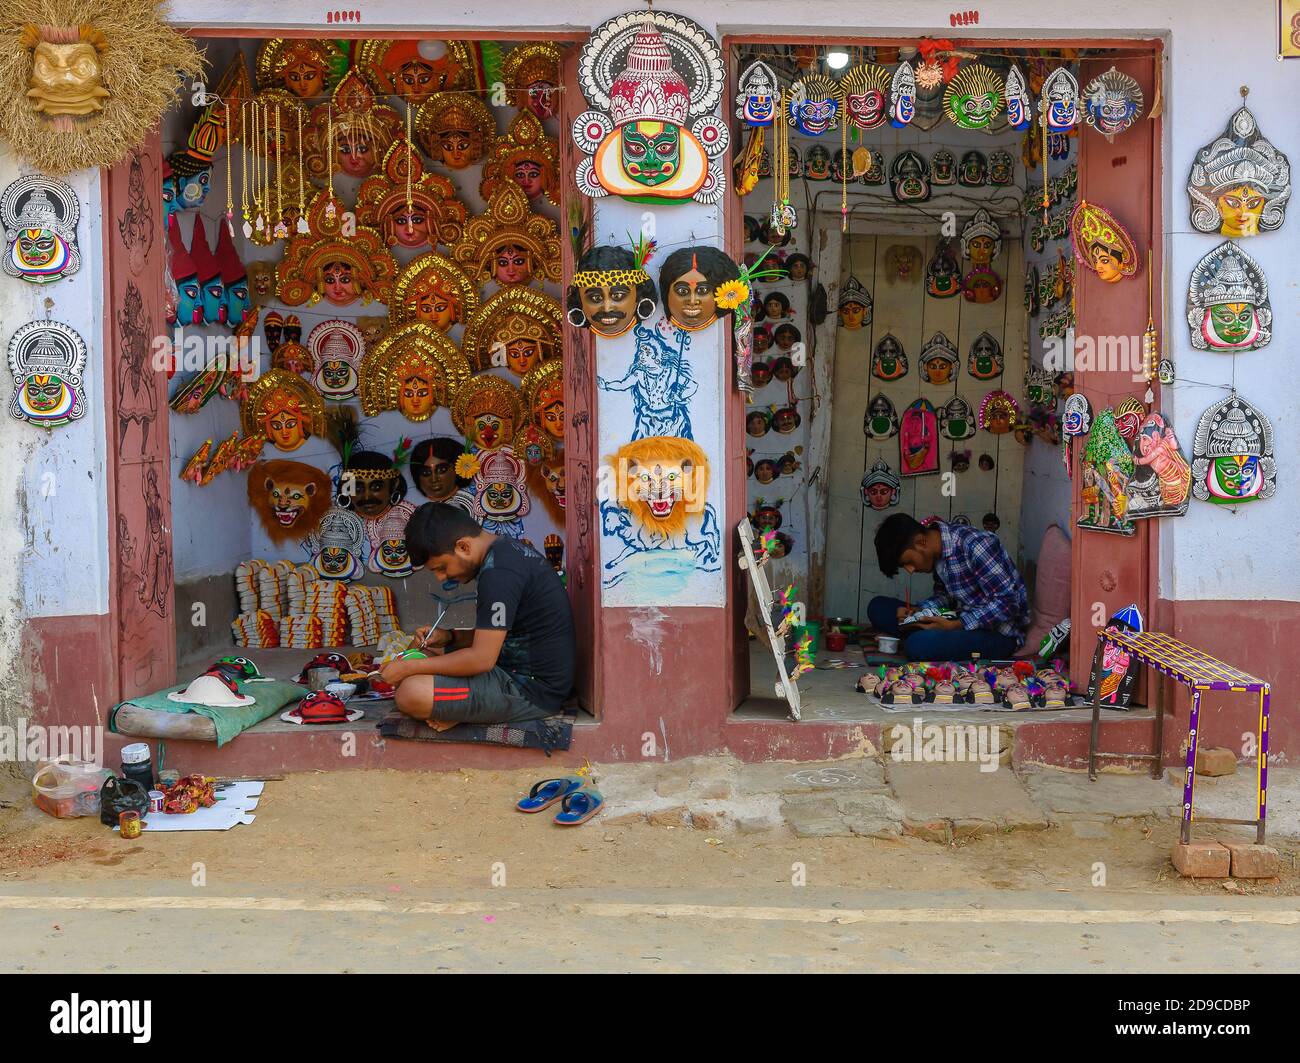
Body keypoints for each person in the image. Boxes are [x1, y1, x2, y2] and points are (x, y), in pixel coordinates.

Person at [382, 503, 575, 729]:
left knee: (411, 692)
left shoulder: (499, 574)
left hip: (531, 691)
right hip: (508, 669)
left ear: (463, 546)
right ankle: (461, 706)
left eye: (442, 567)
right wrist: (451, 637)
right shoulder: (503, 552)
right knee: (422, 653)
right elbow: (500, 635)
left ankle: (464, 710)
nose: (442, 578)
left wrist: (409, 668)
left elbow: (482, 659)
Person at [869, 513, 1028, 661]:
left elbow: (1008, 602)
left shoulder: (975, 545)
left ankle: (921, 638)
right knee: (877, 607)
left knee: (917, 645)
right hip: (958, 619)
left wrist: (956, 625)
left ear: (921, 542)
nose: (910, 570)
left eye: (908, 562)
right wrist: (919, 611)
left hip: (998, 633)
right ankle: (924, 634)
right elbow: (946, 597)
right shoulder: (938, 551)